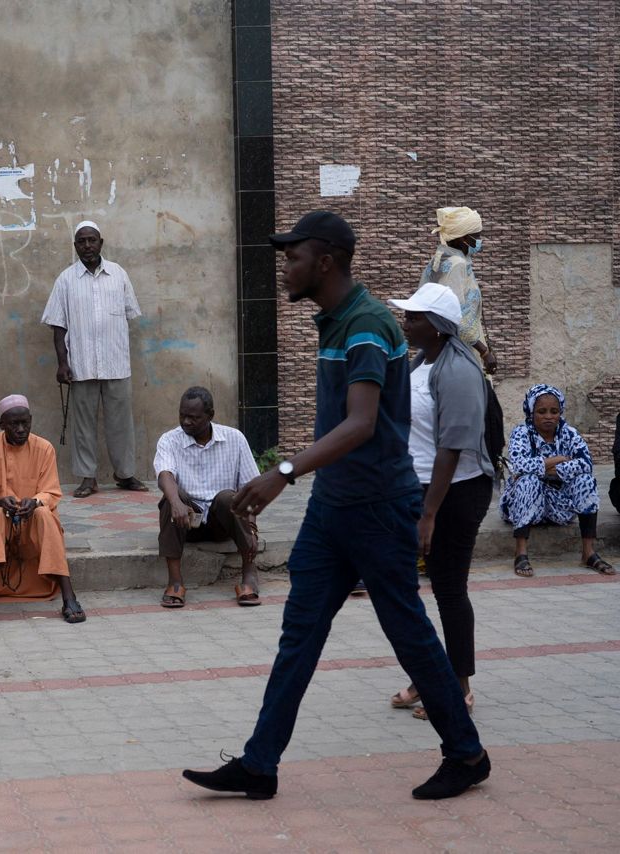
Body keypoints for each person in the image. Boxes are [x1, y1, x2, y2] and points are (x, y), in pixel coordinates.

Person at [182, 211, 488, 802]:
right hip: (334, 509)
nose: (286, 267)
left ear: (325, 260)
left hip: (377, 507)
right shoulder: (338, 321)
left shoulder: (368, 325)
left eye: (293, 257)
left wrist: (283, 472)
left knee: (409, 633)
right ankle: (259, 764)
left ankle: (467, 754)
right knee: (299, 634)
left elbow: (362, 424)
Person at [385, 282, 496, 720]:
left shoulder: (458, 371)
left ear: (436, 325)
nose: (406, 322)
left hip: (455, 493)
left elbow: (452, 447)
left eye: (413, 316)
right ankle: (429, 673)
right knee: (406, 591)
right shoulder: (421, 362)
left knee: (449, 590)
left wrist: (429, 513)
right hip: (416, 489)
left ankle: (458, 688)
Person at [41, 221, 147, 497]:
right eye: (81, 241)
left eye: (92, 240)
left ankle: (125, 474)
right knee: (83, 425)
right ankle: (88, 478)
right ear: (75, 246)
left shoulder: (119, 275)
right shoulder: (65, 280)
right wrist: (62, 363)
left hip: (116, 362)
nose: (87, 246)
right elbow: (58, 326)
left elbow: (128, 313)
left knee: (121, 423)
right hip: (82, 364)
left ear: (101, 242)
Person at [0, 394, 85, 628]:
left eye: (25, 423)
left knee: (45, 514)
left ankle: (69, 597)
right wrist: (1, 502)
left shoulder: (44, 448)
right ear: (2, 424)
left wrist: (35, 502)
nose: (21, 429)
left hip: (30, 520)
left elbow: (51, 492)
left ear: (31, 420)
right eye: (14, 424)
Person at [153, 387, 262, 608]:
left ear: (210, 415)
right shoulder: (169, 440)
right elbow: (165, 474)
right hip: (186, 521)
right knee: (171, 498)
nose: (186, 421)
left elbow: (251, 490)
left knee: (227, 497)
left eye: (193, 417)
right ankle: (175, 582)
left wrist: (251, 529)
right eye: (182, 415)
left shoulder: (235, 439)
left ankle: (249, 574)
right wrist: (176, 503)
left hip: (222, 522)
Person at [500, 384, 612, 577]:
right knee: (528, 481)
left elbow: (586, 463)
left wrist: (548, 469)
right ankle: (521, 552)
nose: (548, 416)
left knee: (584, 481)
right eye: (541, 411)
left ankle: (588, 552)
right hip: (523, 502)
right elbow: (517, 467)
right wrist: (559, 459)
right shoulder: (522, 433)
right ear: (531, 411)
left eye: (554, 411)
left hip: (559, 503)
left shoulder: (569, 433)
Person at [420, 207, 496, 373]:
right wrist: (484, 352)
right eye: (476, 236)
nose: (479, 241)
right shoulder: (456, 264)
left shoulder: (444, 256)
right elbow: (455, 315)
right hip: (459, 347)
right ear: (463, 239)